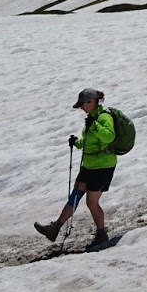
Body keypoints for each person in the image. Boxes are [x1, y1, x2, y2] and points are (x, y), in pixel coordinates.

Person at [35, 87, 116, 249]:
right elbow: (89, 142)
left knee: (91, 202)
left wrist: (96, 126)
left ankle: (102, 233)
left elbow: (109, 136)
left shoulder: (103, 117)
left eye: (82, 104)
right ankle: (55, 228)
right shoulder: (91, 118)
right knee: (75, 196)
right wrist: (77, 142)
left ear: (92, 102)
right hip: (89, 165)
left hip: (102, 167)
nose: (81, 108)